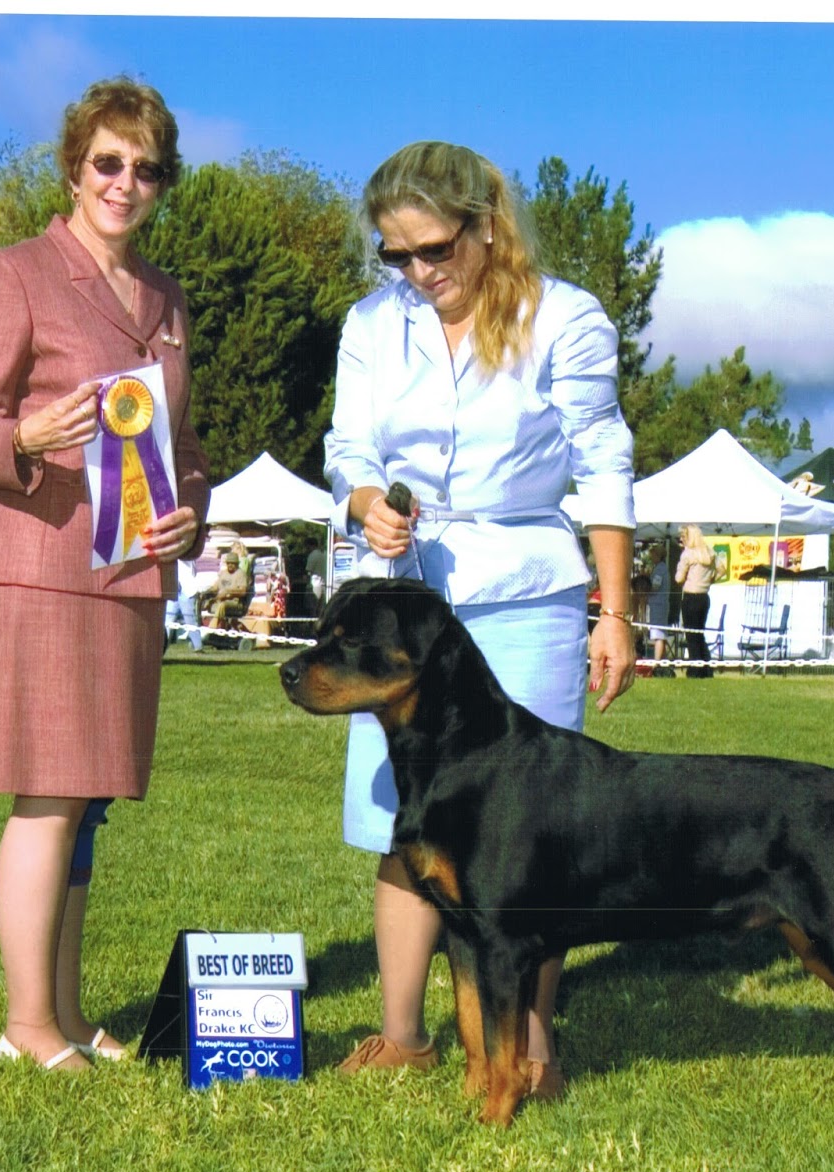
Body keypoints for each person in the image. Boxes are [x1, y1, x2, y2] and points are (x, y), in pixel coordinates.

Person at [323, 139, 636, 1099]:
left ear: (485, 225)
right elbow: (348, 445)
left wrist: (613, 611)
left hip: (530, 591)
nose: (418, 274)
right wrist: (364, 498)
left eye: (434, 251)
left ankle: (532, 1044)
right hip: (407, 596)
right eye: (396, 255)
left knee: (528, 828)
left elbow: (603, 463)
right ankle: (403, 1032)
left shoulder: (568, 318)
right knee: (403, 815)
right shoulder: (373, 325)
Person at [0, 77, 209, 1071]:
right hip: (44, 565)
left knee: (88, 795)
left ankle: (64, 1004)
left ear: (161, 183)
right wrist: (25, 433)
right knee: (47, 794)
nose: (124, 182)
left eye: (144, 169)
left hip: (133, 575)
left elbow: (184, 447)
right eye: (108, 162)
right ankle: (27, 1024)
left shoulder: (168, 299)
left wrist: (190, 516)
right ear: (73, 166)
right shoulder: (15, 274)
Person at [674, 523, 717, 678]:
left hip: (691, 596)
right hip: (704, 597)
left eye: (683, 537)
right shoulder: (709, 553)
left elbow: (678, 578)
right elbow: (721, 570)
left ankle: (695, 669)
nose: (681, 540)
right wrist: (709, 581)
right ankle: (706, 667)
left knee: (691, 635)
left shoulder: (688, 554)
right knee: (700, 633)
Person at [165, 556, 204, 651]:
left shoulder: (187, 554)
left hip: (187, 589)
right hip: (173, 588)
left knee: (190, 619)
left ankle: (198, 646)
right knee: (168, 619)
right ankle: (163, 646)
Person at [207, 547, 250, 630]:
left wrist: (228, 592)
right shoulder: (223, 573)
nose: (230, 565)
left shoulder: (241, 574)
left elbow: (243, 591)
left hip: (236, 603)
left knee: (221, 606)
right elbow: (215, 587)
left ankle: (211, 629)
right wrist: (207, 593)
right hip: (221, 600)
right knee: (205, 603)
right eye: (228, 563)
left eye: (232, 563)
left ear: (237, 564)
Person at [645, 540, 673, 667]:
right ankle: (664, 662)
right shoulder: (661, 568)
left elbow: (655, 586)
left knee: (658, 635)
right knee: (660, 634)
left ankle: (655, 664)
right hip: (660, 605)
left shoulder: (660, 569)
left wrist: (644, 590)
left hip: (658, 606)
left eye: (653, 555)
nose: (651, 558)